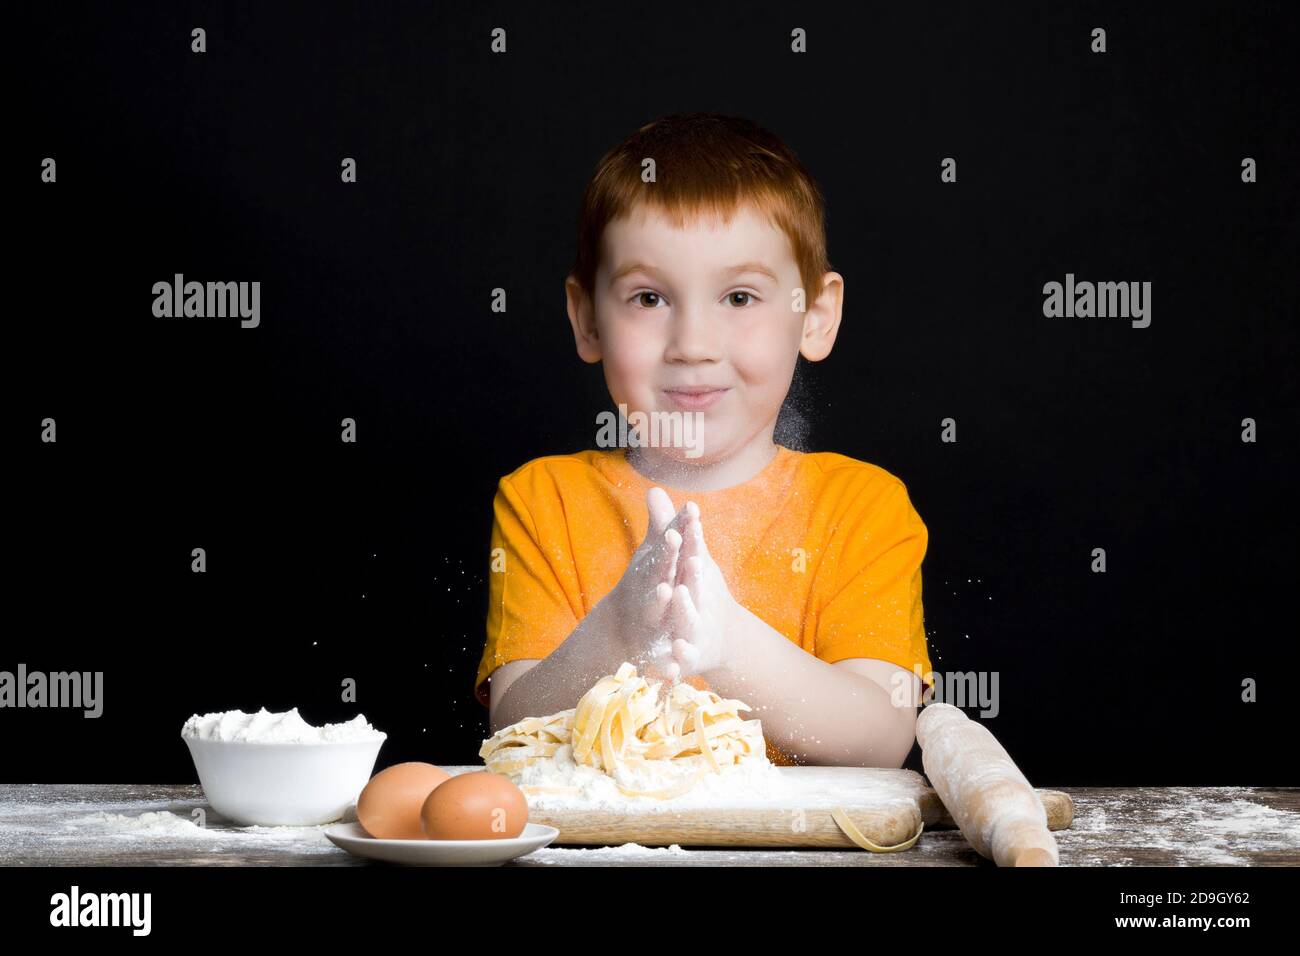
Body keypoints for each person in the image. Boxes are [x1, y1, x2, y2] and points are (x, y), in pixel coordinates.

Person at [475, 113, 934, 767]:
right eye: (649, 298)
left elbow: (883, 738)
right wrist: (615, 634)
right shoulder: (544, 501)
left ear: (816, 316)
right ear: (587, 320)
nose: (692, 345)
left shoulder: (861, 509)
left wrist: (727, 643)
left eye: (740, 297)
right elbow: (512, 731)